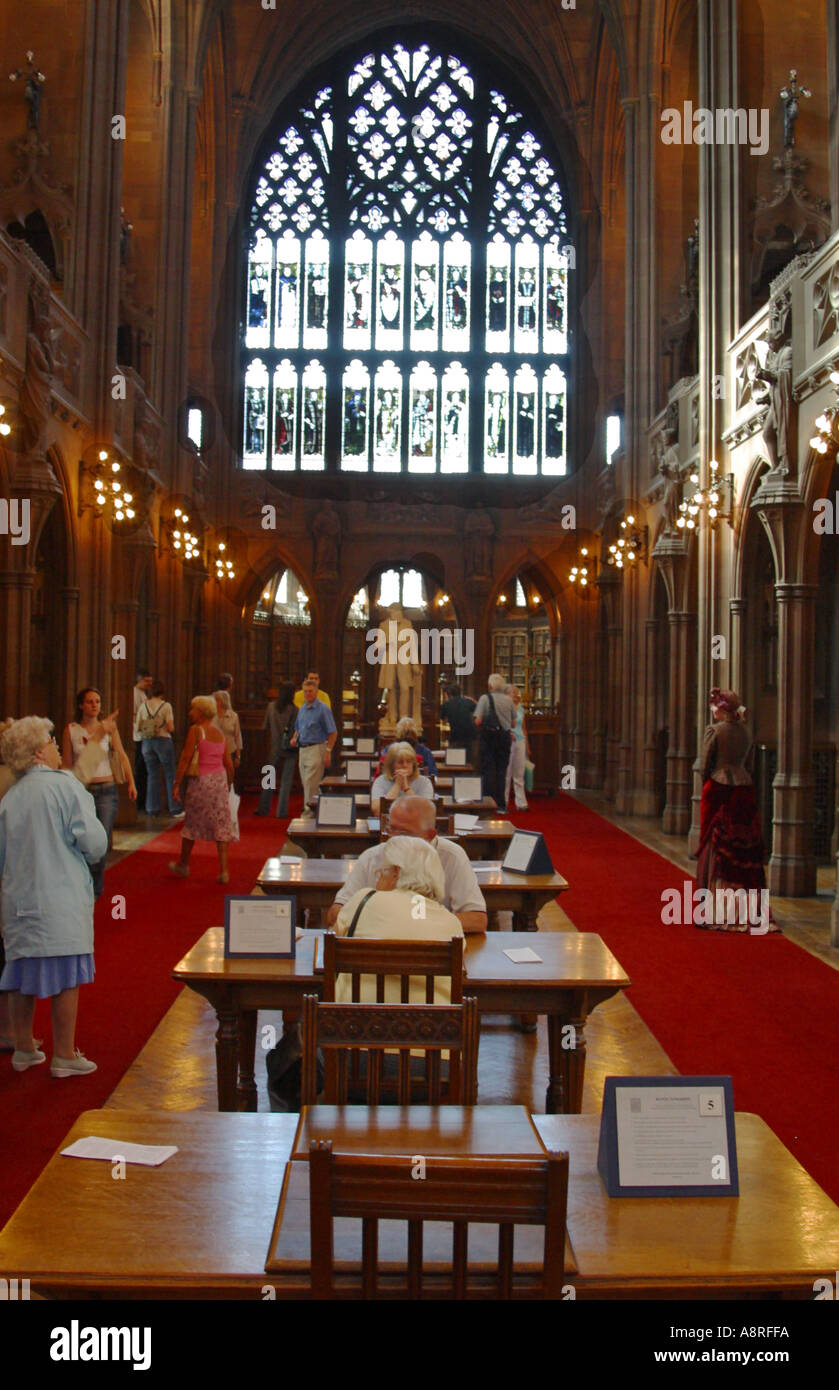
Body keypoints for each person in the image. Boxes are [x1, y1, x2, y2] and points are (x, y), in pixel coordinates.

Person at [0, 716, 108, 1076]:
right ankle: (64, 1054)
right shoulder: (65, 786)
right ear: (37, 753)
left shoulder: (10, 797)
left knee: (20, 973)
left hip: (19, 898)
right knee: (67, 975)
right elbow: (93, 843)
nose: (57, 746)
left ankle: (24, 1048)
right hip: (59, 896)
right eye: (50, 741)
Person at [326, 796, 487, 935]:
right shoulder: (373, 856)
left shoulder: (452, 856)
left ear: (430, 835)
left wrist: (399, 920)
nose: (394, 839)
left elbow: (478, 920)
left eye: (405, 833)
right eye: (392, 829)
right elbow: (334, 914)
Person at [333, 836, 463, 1004]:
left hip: (355, 1022)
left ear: (396, 872)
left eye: (381, 871)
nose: (378, 877)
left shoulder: (363, 901)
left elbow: (333, 943)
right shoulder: (451, 923)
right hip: (430, 1025)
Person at [695, 688, 777, 932]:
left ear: (721, 709)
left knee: (717, 844)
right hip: (744, 788)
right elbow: (749, 764)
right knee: (743, 847)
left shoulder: (715, 731)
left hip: (719, 788)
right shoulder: (746, 732)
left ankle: (718, 908)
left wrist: (706, 781)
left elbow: (705, 762)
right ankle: (746, 909)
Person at [62, 688, 136, 898]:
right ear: (81, 706)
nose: (95, 705)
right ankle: (83, 882)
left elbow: (121, 755)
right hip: (83, 790)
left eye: (97, 701)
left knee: (100, 839)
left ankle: (95, 886)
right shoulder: (72, 730)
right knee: (82, 838)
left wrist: (131, 782)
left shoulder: (109, 728)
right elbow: (67, 764)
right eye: (90, 702)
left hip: (106, 790)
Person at [170, 697, 235, 883]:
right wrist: (228, 784)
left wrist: (176, 784)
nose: (190, 713)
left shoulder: (196, 731)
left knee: (191, 823)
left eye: (193, 709)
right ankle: (223, 871)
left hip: (201, 781)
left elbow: (185, 758)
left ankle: (183, 864)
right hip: (219, 781)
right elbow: (229, 765)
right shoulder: (220, 734)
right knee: (222, 825)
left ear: (201, 712)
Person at [290, 677, 337, 819]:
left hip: (317, 748)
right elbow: (298, 728)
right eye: (305, 691)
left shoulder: (323, 709)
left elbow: (333, 732)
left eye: (310, 691)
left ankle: (307, 814)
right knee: (309, 784)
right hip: (302, 749)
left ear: (316, 692)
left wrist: (328, 751)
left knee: (311, 784)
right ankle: (322, 811)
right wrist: (294, 738)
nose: (307, 694)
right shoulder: (302, 709)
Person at [136, 679, 182, 817]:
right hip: (163, 741)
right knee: (170, 774)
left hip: (147, 741)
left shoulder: (143, 706)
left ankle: (152, 808)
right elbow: (170, 727)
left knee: (152, 775)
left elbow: (138, 726)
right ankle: (175, 808)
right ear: (163, 691)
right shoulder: (166, 706)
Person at [473, 674, 514, 810]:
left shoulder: (485, 698)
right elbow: (513, 723)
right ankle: (502, 805)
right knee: (502, 771)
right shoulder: (509, 700)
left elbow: (478, 721)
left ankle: (488, 803)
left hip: (489, 737)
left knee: (487, 770)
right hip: (505, 737)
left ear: (490, 686)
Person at [255, 683, 297, 818]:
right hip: (290, 748)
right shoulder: (295, 710)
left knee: (269, 779)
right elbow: (297, 730)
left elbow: (265, 726)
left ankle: (263, 808)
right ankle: (281, 812)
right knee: (286, 781)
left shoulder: (271, 707)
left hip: (273, 747)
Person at [370, 742, 435, 816]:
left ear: (414, 764)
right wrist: (397, 785)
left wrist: (406, 788)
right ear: (391, 765)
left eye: (409, 761)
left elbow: (424, 813)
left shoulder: (425, 782)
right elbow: (377, 811)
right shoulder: (380, 781)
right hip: (389, 824)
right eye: (400, 762)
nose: (405, 765)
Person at [504, 684, 530, 812]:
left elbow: (524, 728)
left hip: (520, 741)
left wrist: (527, 746)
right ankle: (504, 801)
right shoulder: (504, 708)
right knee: (507, 773)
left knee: (519, 773)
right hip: (508, 741)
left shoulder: (520, 709)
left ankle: (521, 803)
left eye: (516, 693)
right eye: (512, 693)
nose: (515, 695)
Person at [132, 668, 153, 808]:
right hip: (138, 735)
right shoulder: (134, 694)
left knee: (144, 769)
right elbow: (136, 715)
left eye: (151, 681)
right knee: (139, 769)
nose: (149, 684)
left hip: (145, 734)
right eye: (146, 681)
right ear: (139, 680)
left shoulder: (143, 694)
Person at [440, 683, 476, 763]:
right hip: (469, 734)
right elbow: (478, 709)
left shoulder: (447, 704)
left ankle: (455, 771)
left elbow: (441, 717)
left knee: (454, 759)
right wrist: (472, 700)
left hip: (455, 734)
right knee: (468, 759)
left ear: (449, 694)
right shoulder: (468, 702)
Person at [212, 689, 243, 776]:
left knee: (228, 777)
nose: (214, 702)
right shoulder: (211, 715)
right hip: (213, 752)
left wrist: (238, 756)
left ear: (222, 701)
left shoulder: (233, 716)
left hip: (230, 752)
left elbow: (238, 737)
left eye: (216, 700)